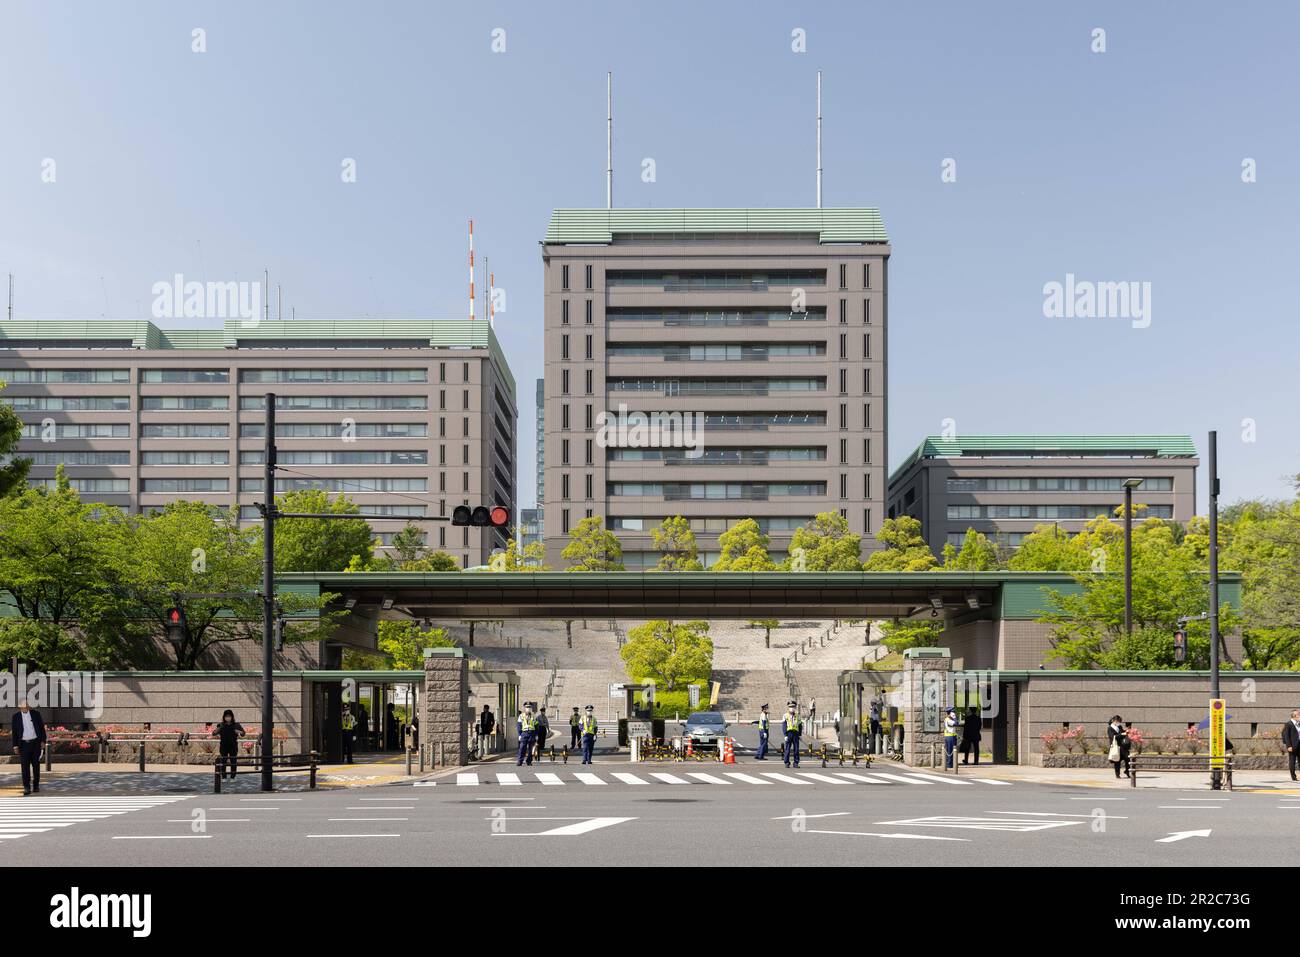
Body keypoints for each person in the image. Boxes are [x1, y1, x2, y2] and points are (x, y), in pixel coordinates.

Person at [11, 699, 46, 796]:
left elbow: (42, 728)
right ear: (20, 706)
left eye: (27, 704)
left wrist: (43, 741)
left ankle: (36, 785)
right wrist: (15, 746)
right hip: (23, 744)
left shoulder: (36, 714)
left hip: (35, 743)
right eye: (23, 705)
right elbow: (14, 733)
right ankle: (26, 787)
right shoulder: (16, 717)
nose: (26, 706)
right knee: (25, 767)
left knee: (36, 765)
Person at [212, 709, 246, 779]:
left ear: (232, 717)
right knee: (223, 762)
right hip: (223, 746)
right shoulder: (221, 725)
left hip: (233, 746)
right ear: (224, 717)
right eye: (226, 716)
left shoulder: (236, 725)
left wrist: (239, 731)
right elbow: (213, 733)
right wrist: (217, 730)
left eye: (229, 716)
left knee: (233, 762)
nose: (228, 718)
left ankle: (233, 777)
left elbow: (243, 733)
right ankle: (223, 777)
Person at [782, 700, 802, 768]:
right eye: (790, 707)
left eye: (793, 707)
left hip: (795, 734)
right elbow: (784, 725)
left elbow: (800, 725)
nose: (792, 708)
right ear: (788, 708)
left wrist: (800, 734)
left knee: (796, 749)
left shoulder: (798, 716)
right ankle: (786, 762)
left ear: (795, 708)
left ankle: (796, 763)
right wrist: (785, 735)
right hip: (789, 733)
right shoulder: (785, 715)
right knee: (787, 749)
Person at [516, 702, 537, 767]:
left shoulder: (534, 715)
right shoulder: (521, 716)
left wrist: (536, 735)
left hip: (531, 733)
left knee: (530, 749)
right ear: (524, 708)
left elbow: (536, 726)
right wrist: (519, 734)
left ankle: (529, 761)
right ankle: (520, 761)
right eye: (527, 707)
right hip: (524, 733)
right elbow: (519, 725)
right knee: (522, 748)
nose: (528, 708)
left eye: (529, 707)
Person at [1283, 710, 1300, 781]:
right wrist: (1288, 746)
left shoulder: (1299, 724)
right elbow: (1286, 736)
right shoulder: (1288, 724)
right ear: (1294, 716)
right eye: (1299, 715)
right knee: (1292, 761)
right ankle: (1293, 776)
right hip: (1292, 746)